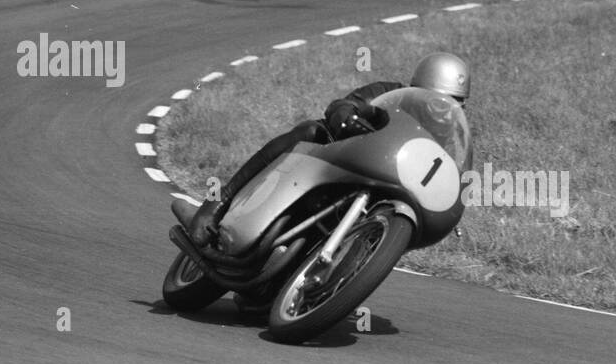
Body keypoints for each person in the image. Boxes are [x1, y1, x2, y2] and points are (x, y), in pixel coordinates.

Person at [186, 54, 473, 248]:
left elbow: (452, 174)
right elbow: (344, 104)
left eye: (455, 102)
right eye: (437, 99)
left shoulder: (452, 136)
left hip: (389, 192)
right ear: (418, 88)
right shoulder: (391, 95)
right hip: (341, 165)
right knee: (310, 131)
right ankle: (217, 204)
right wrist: (347, 115)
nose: (444, 108)